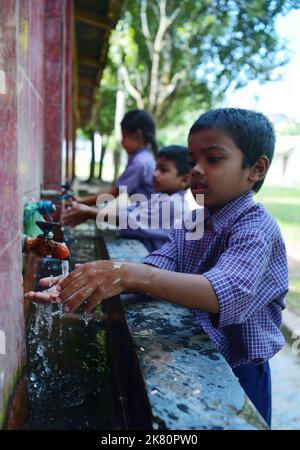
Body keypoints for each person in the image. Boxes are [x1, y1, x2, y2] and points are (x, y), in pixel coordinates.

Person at [25, 108, 289, 427]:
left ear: (256, 169)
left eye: (213, 159)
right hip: (198, 352)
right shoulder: (196, 221)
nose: (197, 171)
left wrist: (131, 274)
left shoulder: (257, 228)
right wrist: (91, 278)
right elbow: (159, 260)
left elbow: (227, 292)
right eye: (192, 161)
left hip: (241, 370)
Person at [63, 145, 191, 253]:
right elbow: (129, 210)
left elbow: (131, 220)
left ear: (184, 180)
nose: (155, 174)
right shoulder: (160, 198)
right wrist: (89, 210)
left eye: (163, 170)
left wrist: (89, 212)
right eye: (156, 168)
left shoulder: (174, 205)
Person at [63, 109, 158, 227]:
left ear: (137, 135)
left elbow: (113, 193)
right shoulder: (145, 158)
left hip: (146, 221)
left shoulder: (140, 163)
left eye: (124, 136)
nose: (122, 142)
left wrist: (78, 203)